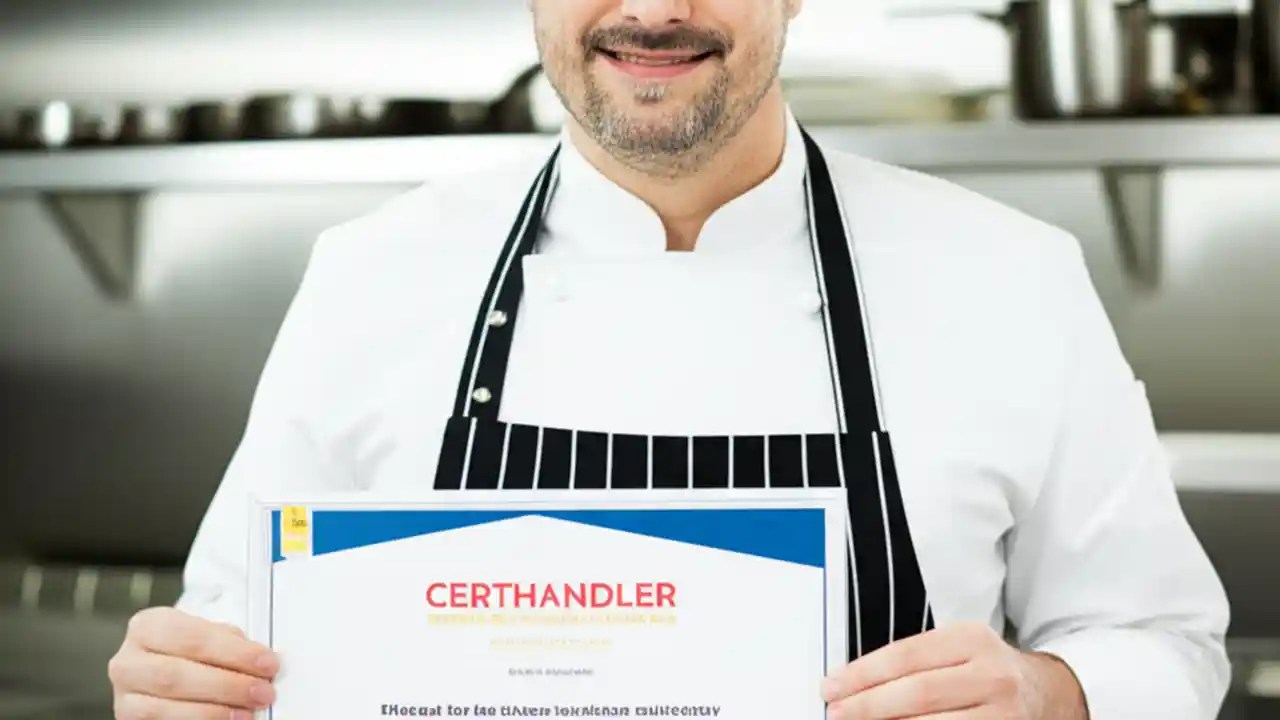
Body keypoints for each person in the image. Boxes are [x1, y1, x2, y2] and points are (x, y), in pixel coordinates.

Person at [107, 1, 1231, 718]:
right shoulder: (369, 274)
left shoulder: (1009, 275)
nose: (653, 9)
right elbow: (234, 638)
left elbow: (1163, 644)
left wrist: (1049, 694)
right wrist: (186, 687)